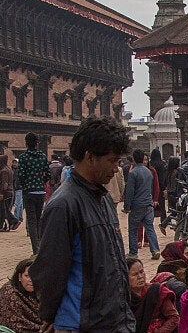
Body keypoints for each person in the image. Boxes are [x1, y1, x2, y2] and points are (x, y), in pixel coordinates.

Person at [30, 115, 135, 332]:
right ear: (89, 157)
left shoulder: (104, 199)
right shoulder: (63, 206)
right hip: (83, 324)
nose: (116, 169)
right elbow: (50, 271)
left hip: (115, 319)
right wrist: (49, 314)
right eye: (112, 161)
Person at [125, 148, 161, 258]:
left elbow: (130, 191)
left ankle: (133, 252)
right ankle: (155, 250)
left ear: (134, 159)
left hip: (137, 205)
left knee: (133, 229)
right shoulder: (149, 172)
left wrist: (127, 206)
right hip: (148, 204)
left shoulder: (133, 173)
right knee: (150, 228)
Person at [17, 132, 50, 253]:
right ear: (37, 143)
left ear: (26, 144)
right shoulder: (42, 156)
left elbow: (21, 175)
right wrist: (41, 182)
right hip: (40, 191)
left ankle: (35, 249)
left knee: (31, 220)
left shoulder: (23, 157)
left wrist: (26, 184)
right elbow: (48, 174)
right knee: (39, 219)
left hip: (29, 191)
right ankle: (41, 246)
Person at [127, 258, 179, 333]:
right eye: (135, 274)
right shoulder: (123, 298)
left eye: (141, 272)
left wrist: (160, 331)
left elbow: (174, 317)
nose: (140, 276)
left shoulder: (156, 291)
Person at [0, 257, 41, 332]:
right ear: (19, 277)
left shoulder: (43, 289)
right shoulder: (11, 293)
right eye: (27, 276)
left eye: (35, 276)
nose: (31, 280)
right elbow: (16, 324)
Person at [0, 155, 18, 231]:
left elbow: (4, 183)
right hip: (11, 191)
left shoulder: (3, 171)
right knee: (6, 209)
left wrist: (1, 193)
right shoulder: (9, 169)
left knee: (4, 210)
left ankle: (14, 220)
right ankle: (8, 224)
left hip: (6, 192)